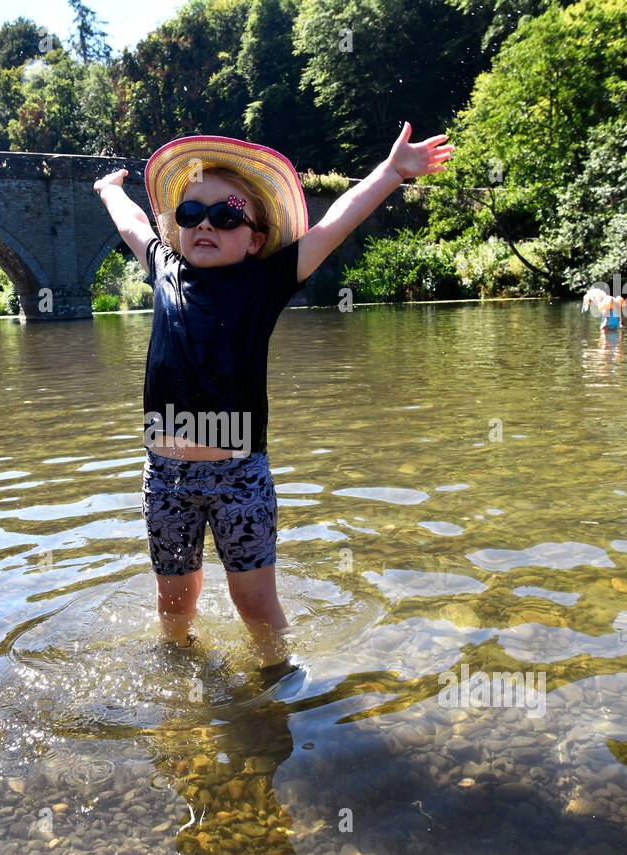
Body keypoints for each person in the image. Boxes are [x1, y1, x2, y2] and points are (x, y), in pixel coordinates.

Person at [93, 124, 454, 673]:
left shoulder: (264, 282)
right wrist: (109, 190)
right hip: (164, 476)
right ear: (177, 229)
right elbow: (134, 224)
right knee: (174, 600)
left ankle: (279, 683)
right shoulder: (166, 270)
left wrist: (391, 172)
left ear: (255, 236)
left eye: (227, 214)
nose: (205, 224)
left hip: (239, 475)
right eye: (190, 214)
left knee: (255, 602)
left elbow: (333, 224)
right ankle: (180, 676)